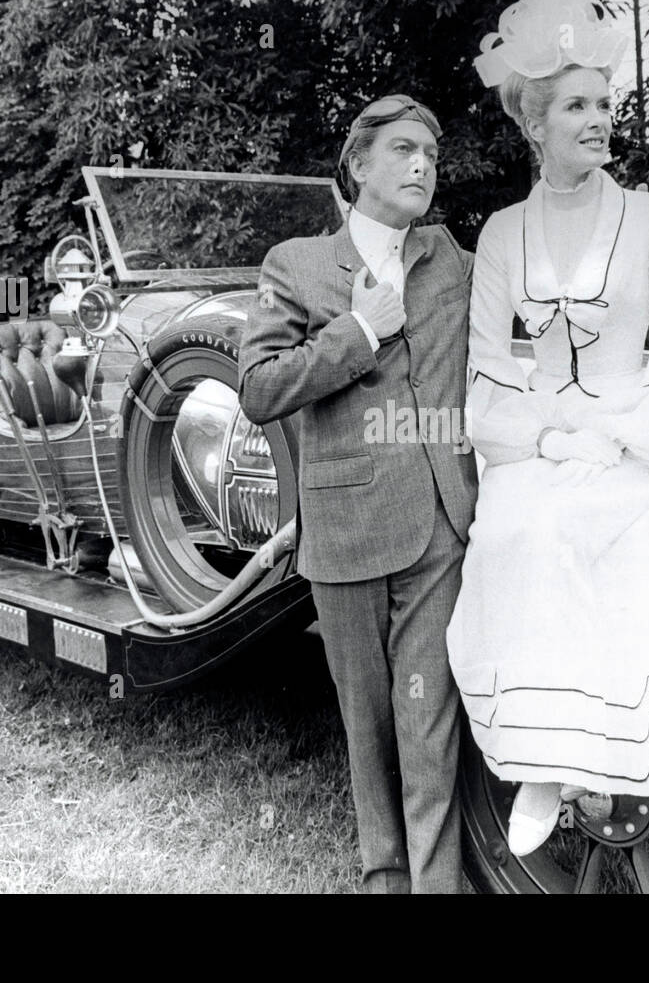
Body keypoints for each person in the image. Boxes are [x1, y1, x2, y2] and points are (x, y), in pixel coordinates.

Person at [445, 0, 649, 858]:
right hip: (541, 441)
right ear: (535, 123)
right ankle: (544, 763)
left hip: (638, 439)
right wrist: (548, 436)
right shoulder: (504, 236)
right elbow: (485, 363)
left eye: (604, 103)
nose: (598, 119)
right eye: (578, 106)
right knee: (520, 534)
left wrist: (630, 432)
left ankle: (635, 750)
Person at [237, 95, 477, 893]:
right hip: (343, 529)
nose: (421, 166)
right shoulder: (296, 264)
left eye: (431, 156)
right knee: (367, 724)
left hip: (441, 525)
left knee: (430, 720)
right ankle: (384, 875)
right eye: (405, 149)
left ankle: (436, 885)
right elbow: (260, 388)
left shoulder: (454, 259)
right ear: (359, 166)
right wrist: (358, 332)